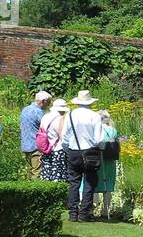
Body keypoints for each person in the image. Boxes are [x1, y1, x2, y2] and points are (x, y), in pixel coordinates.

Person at [61, 90, 106, 222]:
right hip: (90, 152)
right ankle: (84, 213)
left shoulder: (69, 115)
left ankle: (73, 214)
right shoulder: (95, 116)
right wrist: (102, 148)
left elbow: (64, 138)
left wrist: (68, 150)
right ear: (90, 102)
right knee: (89, 182)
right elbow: (98, 139)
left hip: (73, 151)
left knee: (74, 183)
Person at [96, 109, 120, 221]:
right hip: (111, 160)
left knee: (96, 182)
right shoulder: (113, 130)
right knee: (108, 185)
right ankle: (106, 210)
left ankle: (93, 207)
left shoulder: (99, 129)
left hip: (100, 159)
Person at [20, 90, 51, 177]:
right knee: (37, 172)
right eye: (48, 102)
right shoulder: (38, 112)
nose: (48, 105)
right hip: (36, 146)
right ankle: (36, 190)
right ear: (43, 101)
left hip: (25, 144)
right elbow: (45, 128)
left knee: (29, 171)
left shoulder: (25, 109)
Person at [39, 99, 70, 182]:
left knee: (47, 176)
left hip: (47, 148)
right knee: (59, 176)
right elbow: (63, 136)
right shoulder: (61, 119)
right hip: (58, 149)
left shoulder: (45, 117)